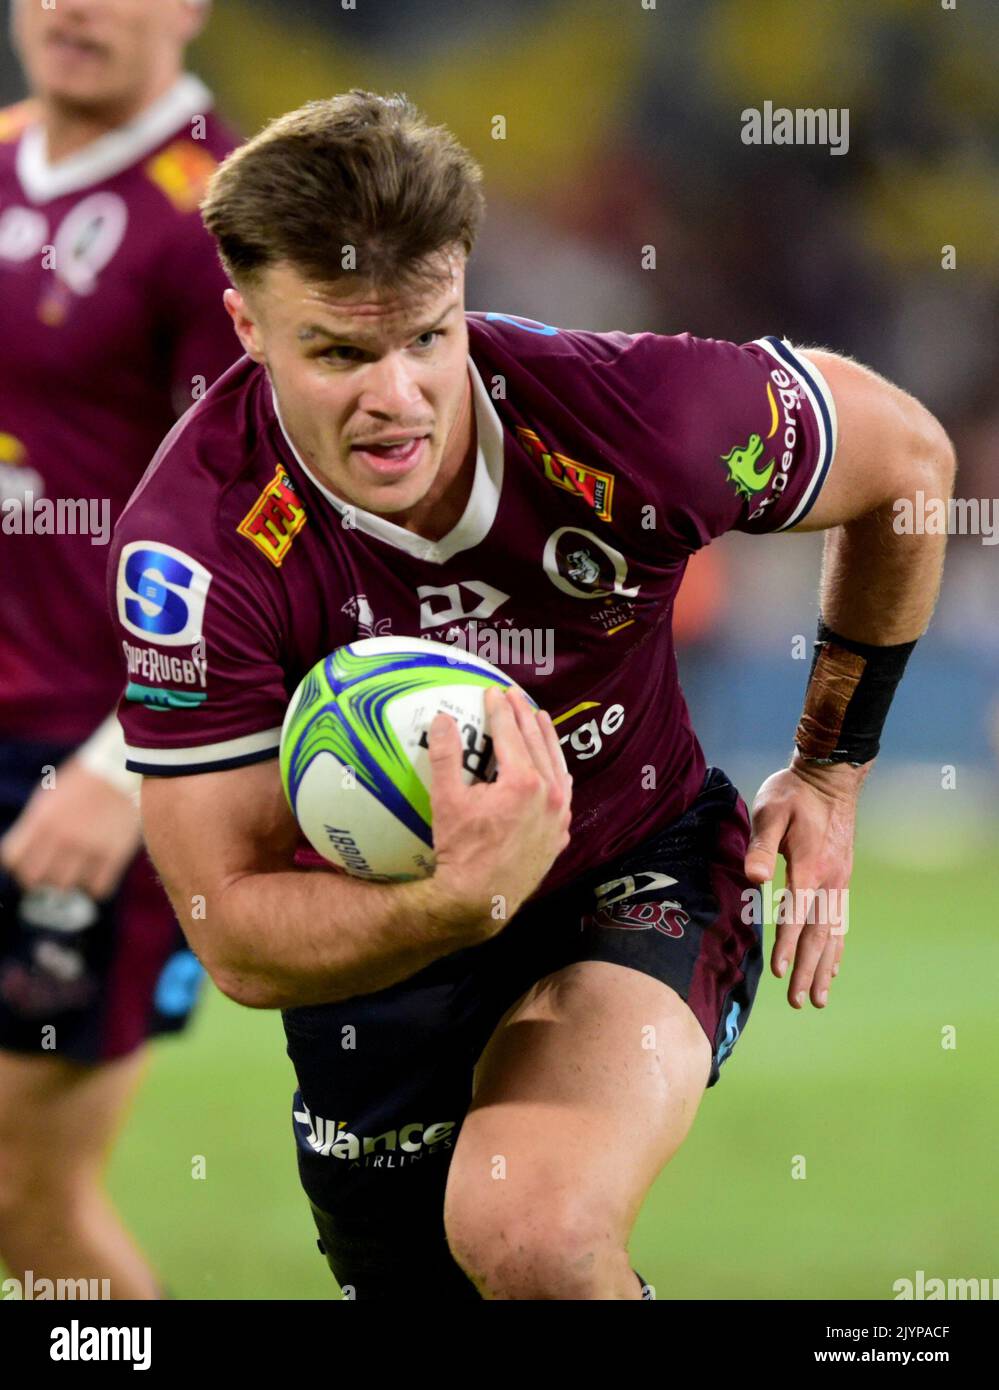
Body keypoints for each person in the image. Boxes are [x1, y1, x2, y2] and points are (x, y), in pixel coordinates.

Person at [109, 91, 954, 1300]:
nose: (395, 395)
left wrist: (830, 764)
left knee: (532, 1235)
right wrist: (454, 900)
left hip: (639, 869)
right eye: (340, 351)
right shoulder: (195, 550)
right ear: (248, 325)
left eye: (425, 337)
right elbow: (228, 923)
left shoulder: (635, 419)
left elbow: (909, 466)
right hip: (382, 952)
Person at [0, 0, 240, 1299]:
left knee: (22, 1190)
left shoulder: (223, 216)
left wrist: (130, 754)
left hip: (87, 764)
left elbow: (260, 515)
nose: (69, 8)